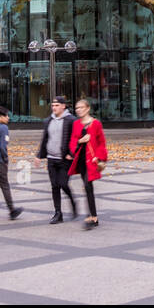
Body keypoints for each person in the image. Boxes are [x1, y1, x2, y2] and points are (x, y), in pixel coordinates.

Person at [36, 96, 77, 224]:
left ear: (63, 106)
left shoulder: (71, 120)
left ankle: (73, 203)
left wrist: (71, 153)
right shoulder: (48, 120)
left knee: (63, 184)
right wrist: (39, 155)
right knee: (54, 186)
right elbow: (45, 139)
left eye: (57, 105)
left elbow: (76, 138)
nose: (54, 108)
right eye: (53, 105)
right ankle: (58, 213)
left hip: (65, 159)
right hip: (51, 159)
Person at [68, 98, 107, 230]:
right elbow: (73, 141)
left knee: (88, 185)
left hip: (92, 160)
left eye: (81, 107)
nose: (78, 110)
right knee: (87, 186)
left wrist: (100, 157)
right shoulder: (76, 124)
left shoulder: (96, 124)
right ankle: (92, 215)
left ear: (88, 108)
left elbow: (101, 142)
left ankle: (93, 217)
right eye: (77, 108)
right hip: (81, 160)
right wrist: (80, 141)